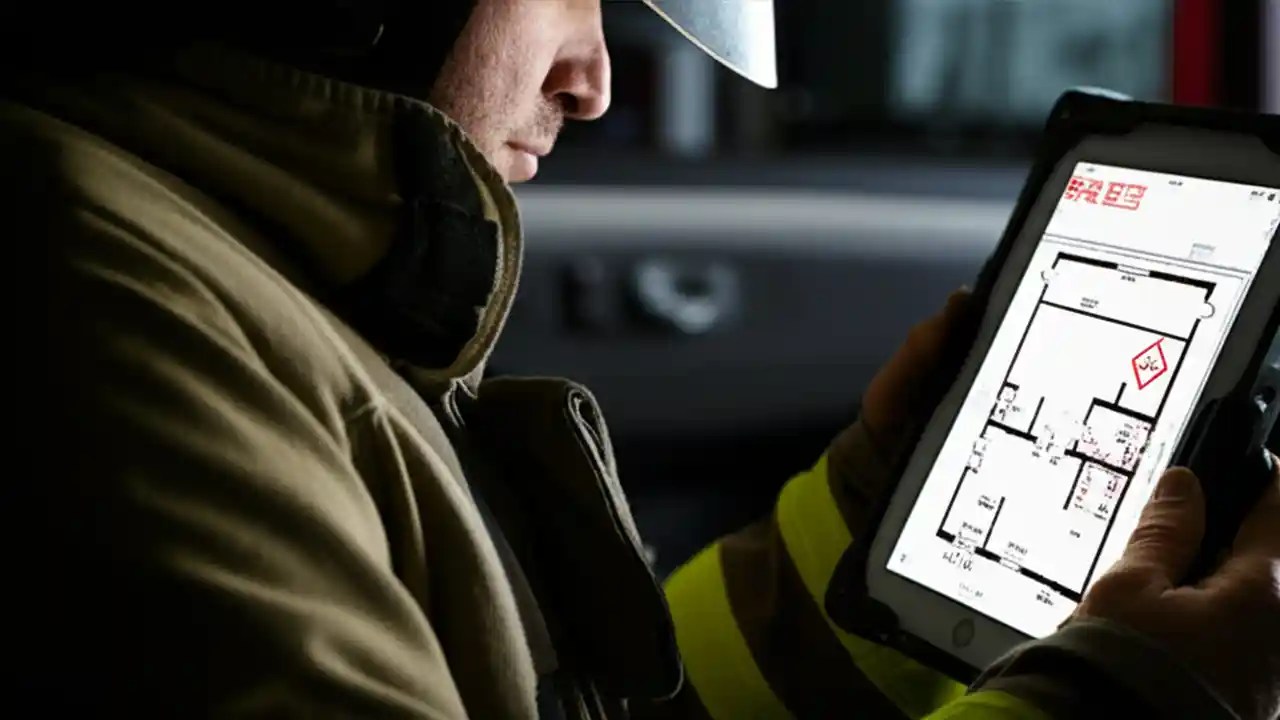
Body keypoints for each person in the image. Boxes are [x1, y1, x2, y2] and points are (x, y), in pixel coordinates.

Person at [21, 0, 1278, 717]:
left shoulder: (229, 276)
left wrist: (841, 546)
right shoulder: (101, 307)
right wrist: (1124, 708)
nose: (592, 79)